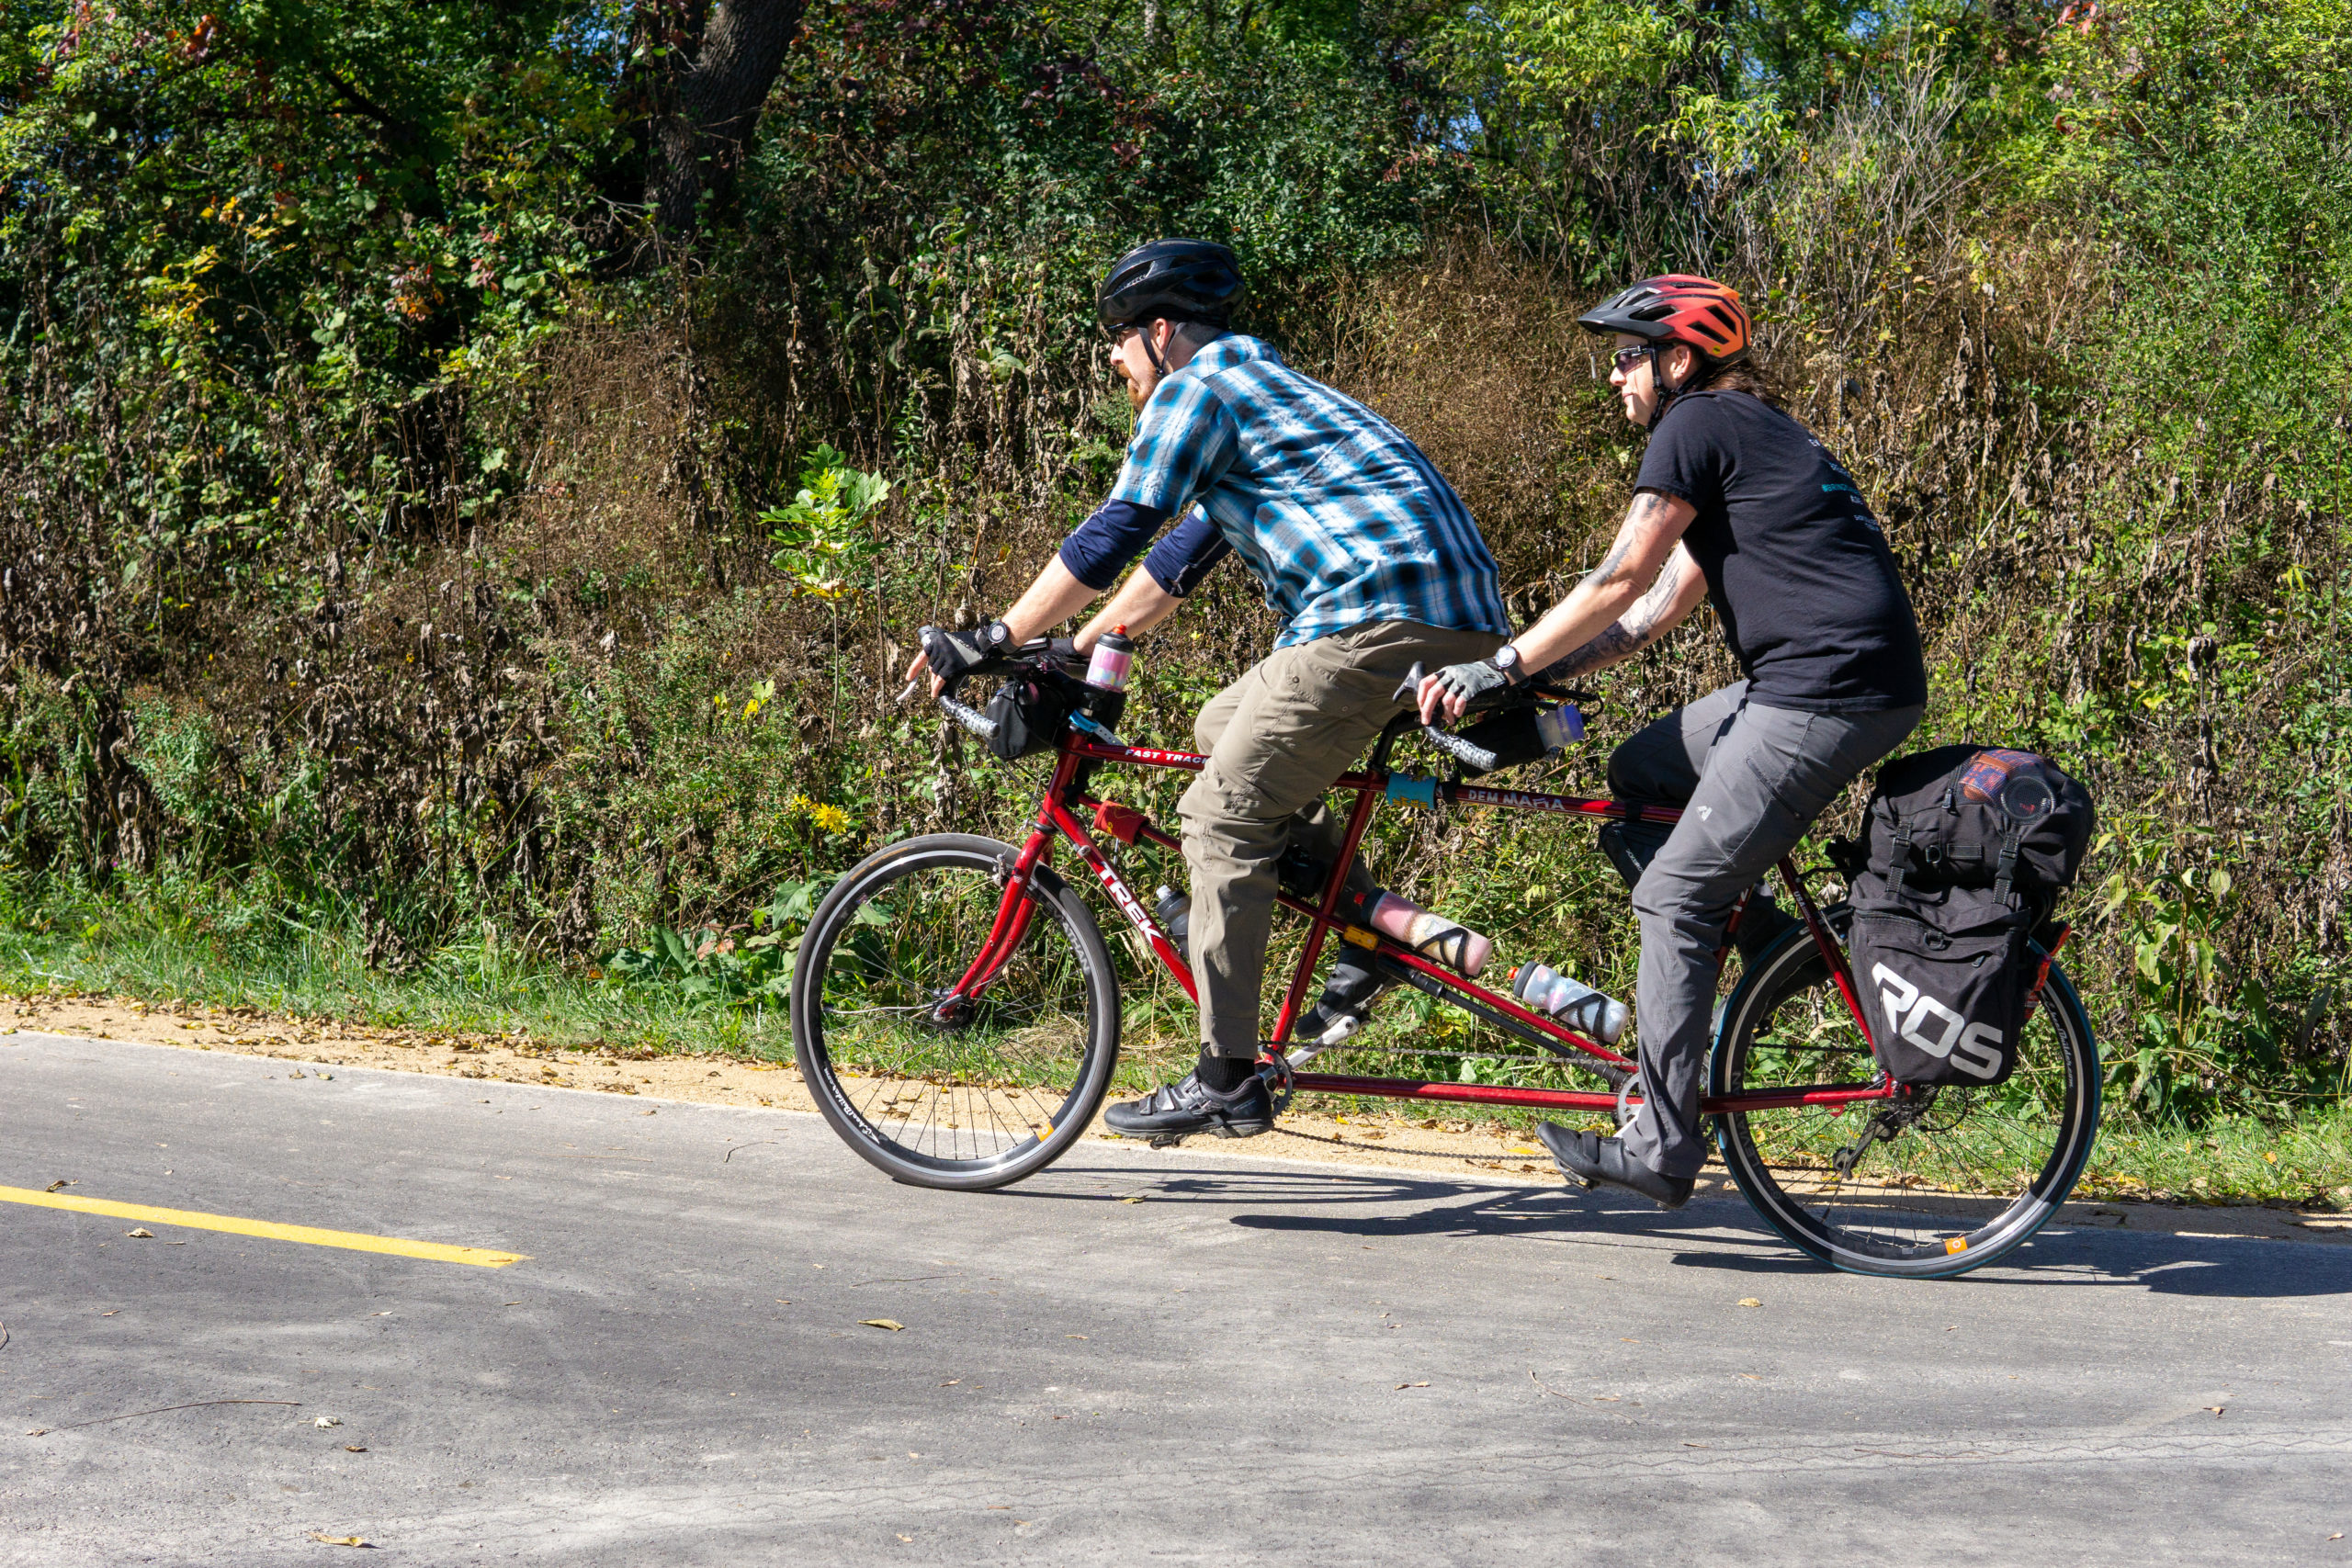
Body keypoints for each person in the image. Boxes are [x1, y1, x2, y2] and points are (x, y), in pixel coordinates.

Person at [905, 238, 1513, 1140]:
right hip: (1444, 622)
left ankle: (1225, 1076)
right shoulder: (1267, 392)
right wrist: (1077, 644)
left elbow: (1115, 532)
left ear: (1160, 333)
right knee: (1221, 719)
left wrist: (996, 636)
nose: (1112, 359)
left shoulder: (1199, 390)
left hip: (1375, 618)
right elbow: (1177, 558)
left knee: (1221, 818)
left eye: (1117, 338)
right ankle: (1363, 929)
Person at [1417, 274, 1928, 1208]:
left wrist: (1497, 666)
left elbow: (1618, 577)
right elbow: (1651, 614)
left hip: (1826, 690)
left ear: (1678, 360)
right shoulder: (1750, 436)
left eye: (1624, 357)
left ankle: (1659, 1141)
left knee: (1674, 897)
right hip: (1825, 682)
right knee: (1639, 776)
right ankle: (1774, 946)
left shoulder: (1694, 427)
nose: (1614, 378)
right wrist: (1532, 676)